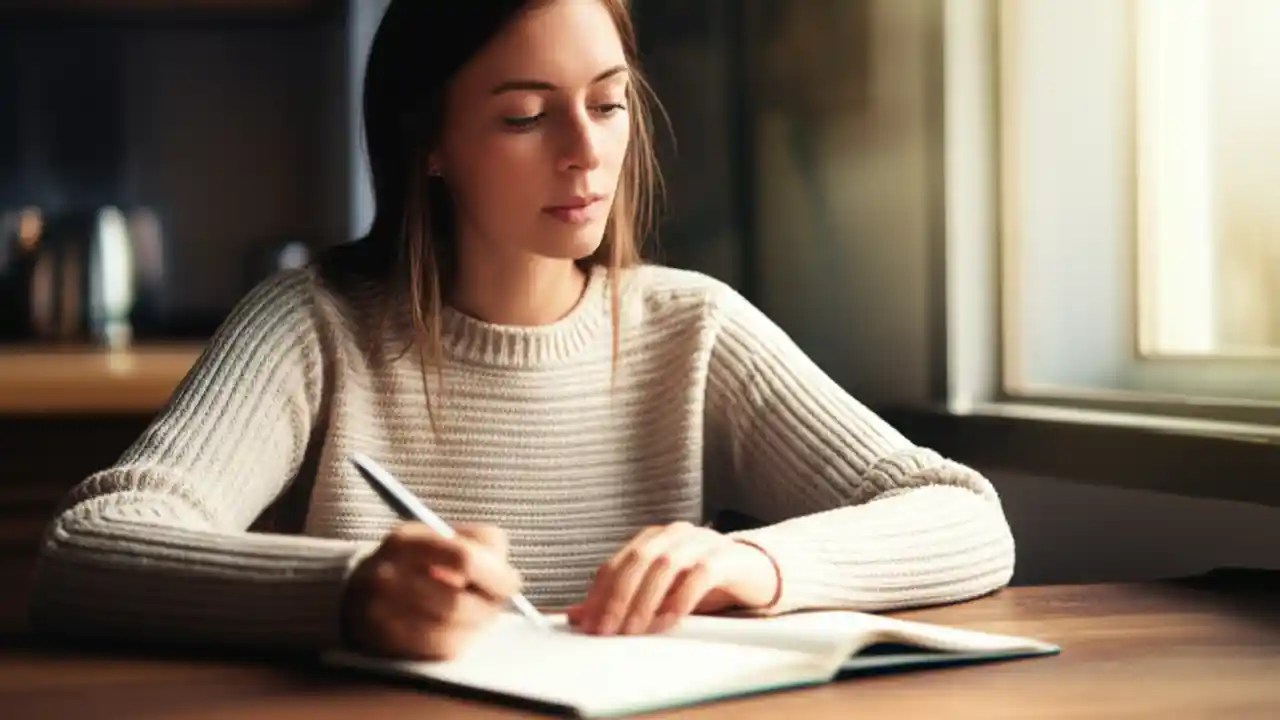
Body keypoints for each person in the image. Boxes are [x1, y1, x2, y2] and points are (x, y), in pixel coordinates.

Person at [28, 0, 1015, 661]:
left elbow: (965, 519)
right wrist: (353, 590)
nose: (585, 153)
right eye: (523, 117)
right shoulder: (311, 327)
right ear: (430, 146)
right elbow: (87, 548)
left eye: (607, 104)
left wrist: (750, 566)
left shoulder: (690, 329)